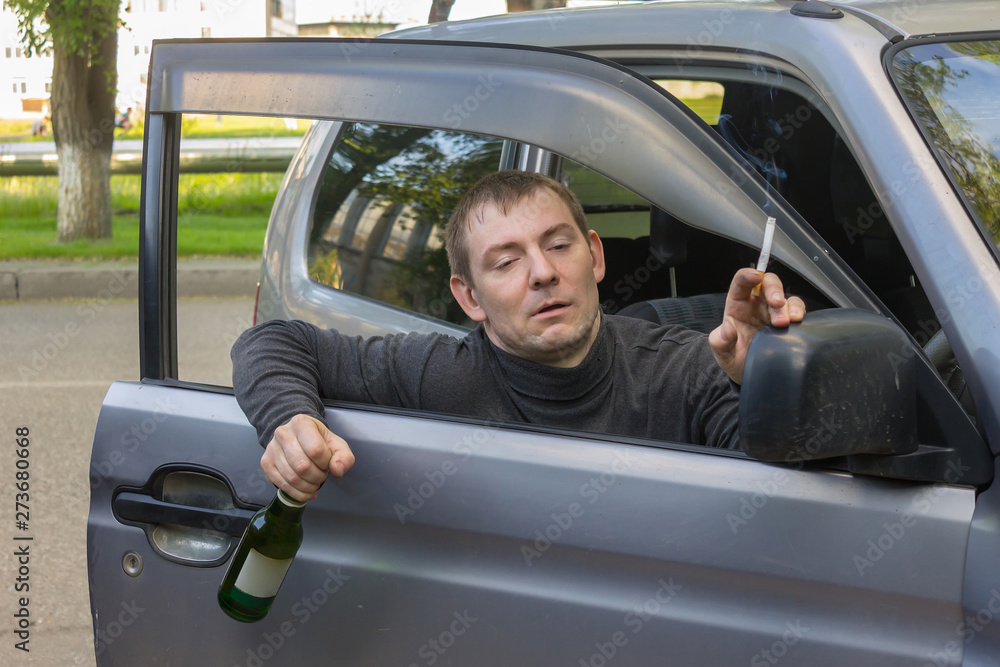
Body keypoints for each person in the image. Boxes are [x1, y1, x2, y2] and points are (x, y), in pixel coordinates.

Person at [231, 171, 805, 502]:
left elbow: (785, 509)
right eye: (506, 262)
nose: (542, 272)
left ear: (595, 255)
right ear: (469, 298)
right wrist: (291, 419)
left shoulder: (690, 367)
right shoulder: (441, 374)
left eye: (558, 245)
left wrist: (758, 383)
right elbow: (273, 342)